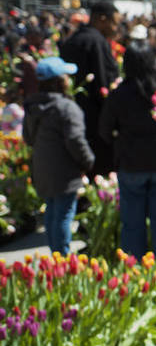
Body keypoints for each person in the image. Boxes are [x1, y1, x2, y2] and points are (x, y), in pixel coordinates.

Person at [98, 40, 156, 263]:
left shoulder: (118, 94)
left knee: (132, 227)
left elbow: (104, 130)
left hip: (131, 165)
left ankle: (134, 278)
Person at [22, 57, 95, 255]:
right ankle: (61, 259)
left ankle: (55, 256)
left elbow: (28, 138)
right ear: (58, 81)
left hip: (42, 170)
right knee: (63, 215)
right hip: (64, 172)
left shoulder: (31, 107)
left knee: (52, 212)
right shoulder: (67, 108)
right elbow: (76, 141)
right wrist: (88, 161)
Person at [59, 0, 121, 177]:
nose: (116, 28)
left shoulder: (73, 39)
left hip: (73, 115)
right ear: (102, 19)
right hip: (96, 121)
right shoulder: (96, 42)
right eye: (114, 22)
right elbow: (103, 84)